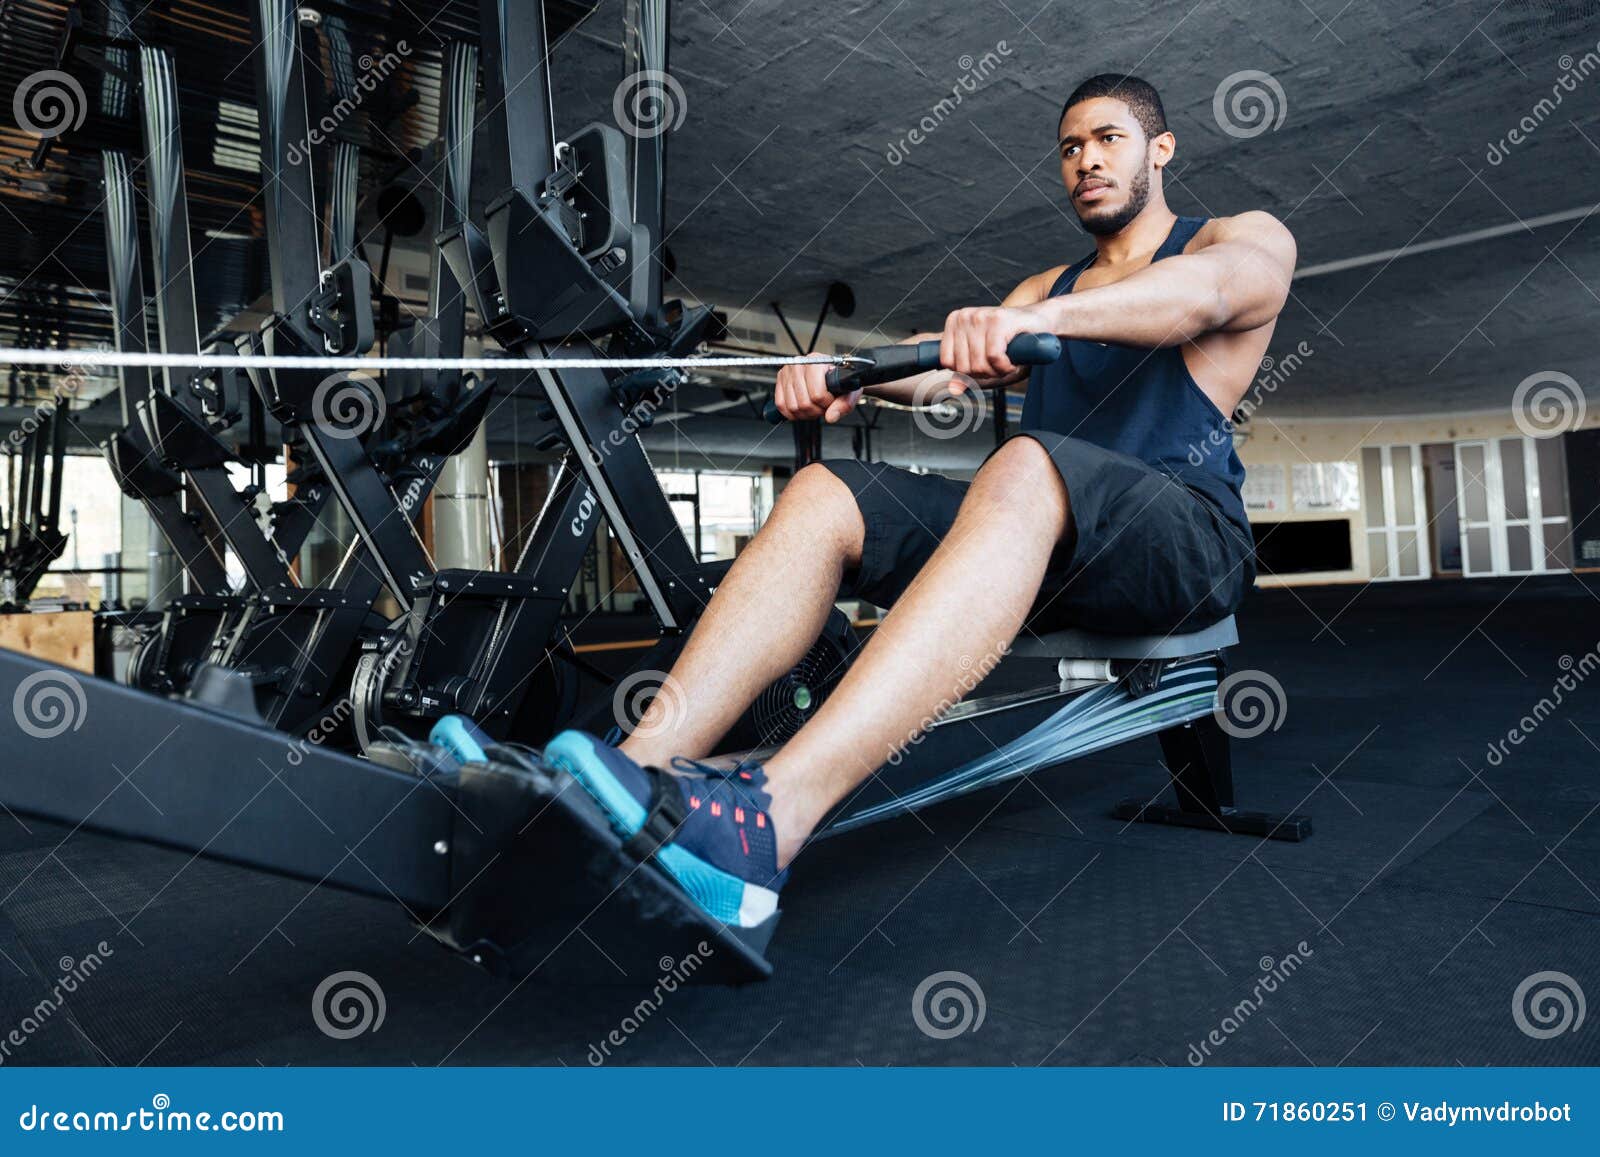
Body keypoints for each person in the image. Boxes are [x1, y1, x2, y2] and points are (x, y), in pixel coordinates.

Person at [540, 73, 1297, 931]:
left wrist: (1042, 322)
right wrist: (847, 371)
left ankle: (772, 824)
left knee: (1017, 462)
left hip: (1186, 544)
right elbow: (940, 361)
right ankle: (626, 781)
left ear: (1160, 150)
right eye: (1070, 148)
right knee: (828, 492)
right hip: (1044, 546)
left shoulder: (1236, 238)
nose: (1086, 160)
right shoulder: (1043, 288)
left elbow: (1212, 295)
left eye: (1108, 140)